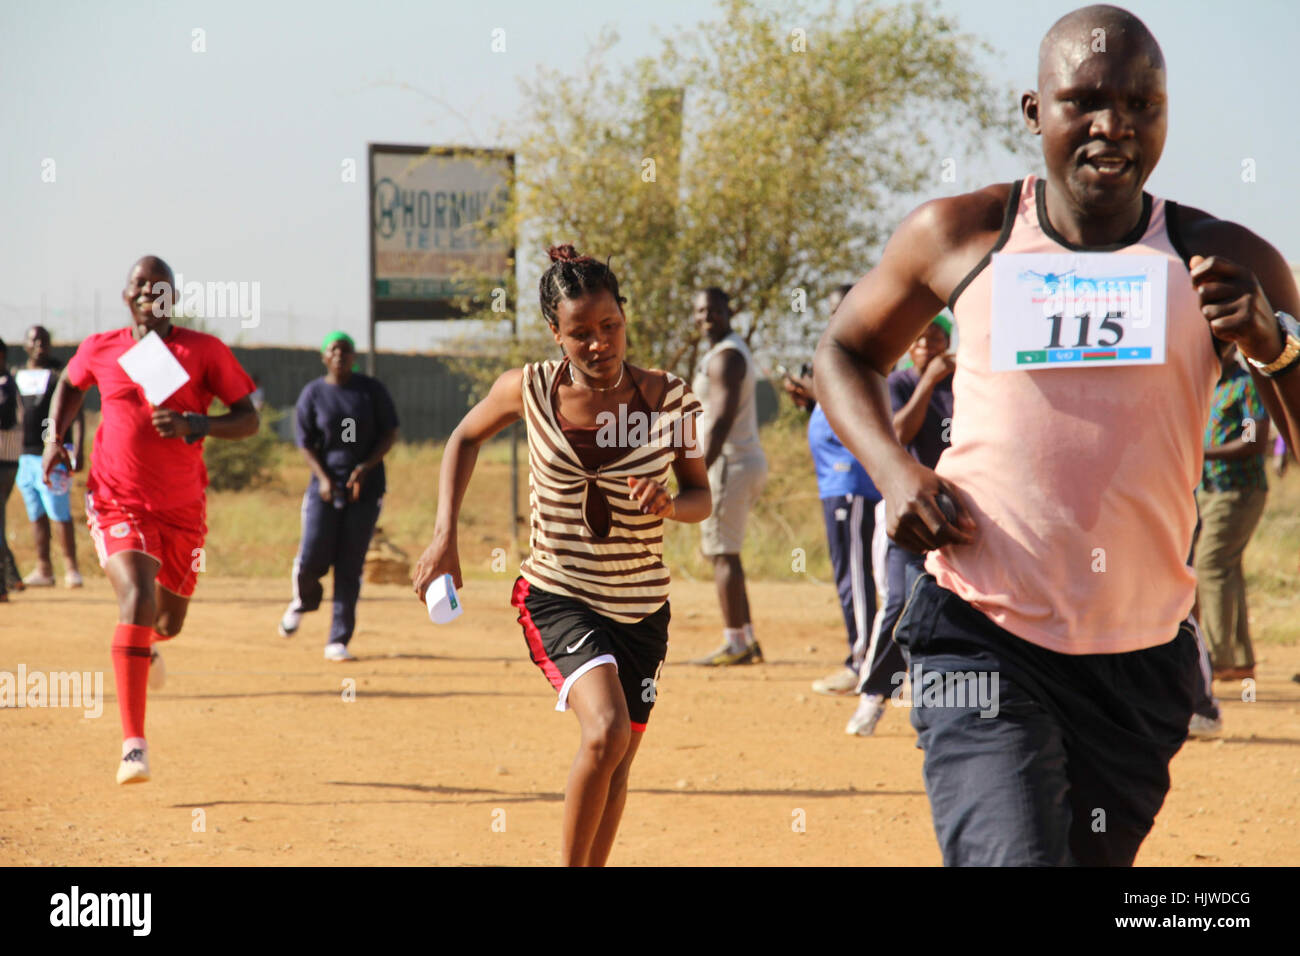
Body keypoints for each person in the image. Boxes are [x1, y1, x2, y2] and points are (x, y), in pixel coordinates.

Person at [814, 4, 1300, 866]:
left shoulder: (1227, 259)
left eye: (1142, 104)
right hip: (976, 632)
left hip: (1140, 663)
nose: (1115, 126)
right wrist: (894, 472)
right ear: (1034, 111)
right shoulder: (962, 234)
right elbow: (844, 352)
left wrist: (1275, 348)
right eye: (1085, 101)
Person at [412, 245, 710, 866]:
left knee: (618, 761)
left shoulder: (670, 399)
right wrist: (445, 536)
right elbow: (463, 437)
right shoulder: (528, 389)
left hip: (642, 608)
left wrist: (668, 505)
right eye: (580, 334)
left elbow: (700, 497)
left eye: (610, 326)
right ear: (555, 332)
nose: (599, 344)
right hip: (559, 594)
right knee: (604, 731)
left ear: (624, 315)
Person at [43, 255, 259, 784]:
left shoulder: (203, 351)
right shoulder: (100, 347)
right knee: (137, 594)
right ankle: (133, 746)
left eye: (160, 286)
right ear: (126, 295)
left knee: (166, 623)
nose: (148, 293)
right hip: (116, 499)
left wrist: (195, 423)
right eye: (139, 284)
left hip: (182, 508)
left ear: (173, 298)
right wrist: (55, 438)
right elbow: (69, 384)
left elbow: (248, 419)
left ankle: (144, 647)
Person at [846, 317, 955, 736]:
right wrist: (928, 382)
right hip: (906, 511)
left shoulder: (966, 385)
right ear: (910, 348)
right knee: (899, 601)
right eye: (920, 339)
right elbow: (899, 432)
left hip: (955, 512)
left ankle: (940, 705)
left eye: (936, 339)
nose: (927, 346)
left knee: (955, 606)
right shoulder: (899, 384)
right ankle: (873, 695)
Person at [783, 285, 885, 697]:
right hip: (835, 484)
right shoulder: (839, 354)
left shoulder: (864, 354)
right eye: (830, 312)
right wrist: (811, 403)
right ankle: (864, 658)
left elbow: (861, 412)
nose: (834, 318)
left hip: (852, 483)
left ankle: (863, 663)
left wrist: (817, 392)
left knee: (856, 576)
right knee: (849, 574)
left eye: (840, 309)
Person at [278, 332, 399, 661]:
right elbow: (305, 442)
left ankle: (338, 639)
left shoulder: (370, 390)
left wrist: (365, 468)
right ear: (323, 356)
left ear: (354, 356)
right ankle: (303, 601)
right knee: (312, 556)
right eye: (333, 350)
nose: (339, 355)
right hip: (325, 486)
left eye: (346, 350)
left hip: (365, 487)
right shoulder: (314, 393)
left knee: (350, 564)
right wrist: (323, 478)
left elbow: (390, 432)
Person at [689, 287, 769, 665]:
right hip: (736, 462)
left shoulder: (726, 358)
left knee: (721, 554)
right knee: (727, 553)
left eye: (713, 309)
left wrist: (696, 473)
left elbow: (720, 421)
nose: (706, 317)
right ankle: (746, 638)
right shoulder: (725, 352)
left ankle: (735, 644)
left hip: (729, 463)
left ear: (729, 311)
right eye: (700, 311)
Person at [1193, 345, 1269, 682]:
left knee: (1210, 564)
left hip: (1239, 490)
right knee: (1226, 569)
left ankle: (1218, 656)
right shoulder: (1211, 384)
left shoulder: (1245, 385)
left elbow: (1254, 440)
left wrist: (1202, 454)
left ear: (1230, 350)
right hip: (1209, 490)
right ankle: (1238, 660)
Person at [16, 325, 84, 588]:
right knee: (36, 514)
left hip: (54, 454)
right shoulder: (17, 376)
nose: (39, 345)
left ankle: (71, 569)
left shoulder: (58, 376)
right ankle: (44, 568)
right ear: (25, 345)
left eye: (44, 340)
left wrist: (78, 449)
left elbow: (76, 415)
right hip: (24, 456)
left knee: (59, 512)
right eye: (33, 340)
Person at [0, 339, 20, 602]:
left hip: (3, 463)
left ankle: (4, 585)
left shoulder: (6, 384)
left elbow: (6, 419)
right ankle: (13, 577)